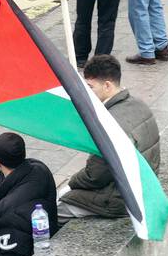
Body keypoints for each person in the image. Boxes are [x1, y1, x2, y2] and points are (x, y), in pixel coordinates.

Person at [56, 56, 161, 220]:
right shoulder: (140, 105)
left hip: (120, 200)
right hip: (144, 189)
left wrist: (70, 184)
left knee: (56, 207)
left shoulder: (109, 124)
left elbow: (95, 176)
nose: (86, 93)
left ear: (107, 85)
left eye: (90, 87)